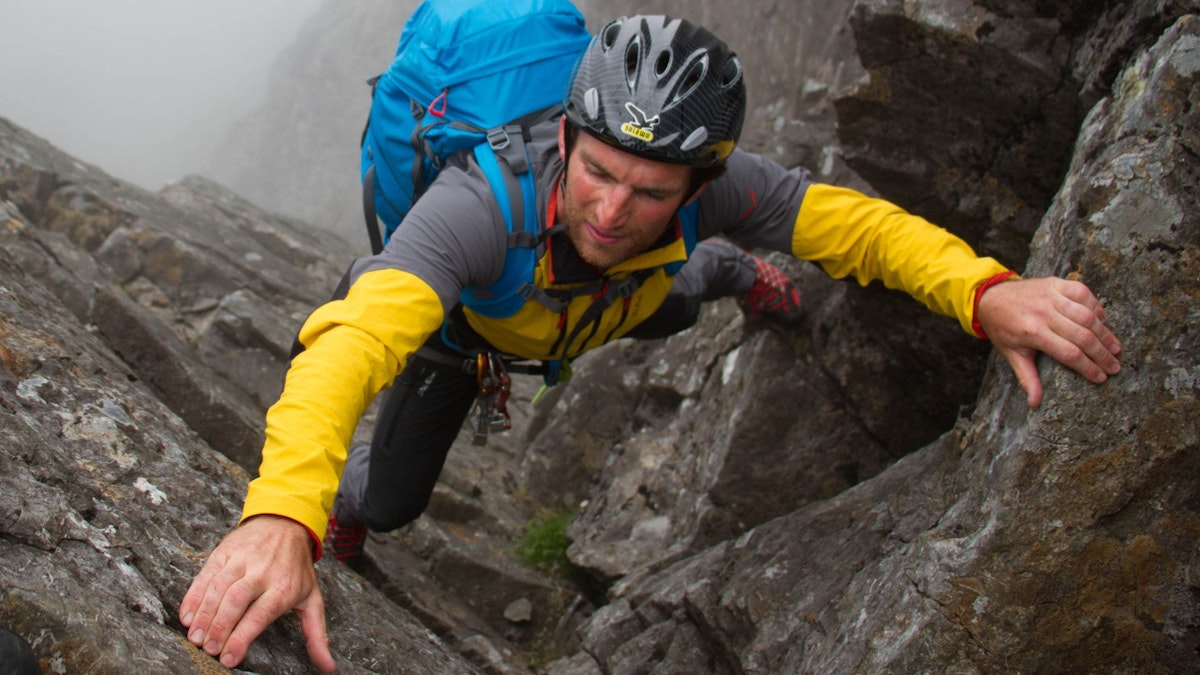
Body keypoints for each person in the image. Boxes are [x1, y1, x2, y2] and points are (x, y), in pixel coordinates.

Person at [179, 15, 1122, 671]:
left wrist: (987, 291)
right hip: (473, 334)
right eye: (597, 173)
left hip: (617, 303)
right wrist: (283, 517)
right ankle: (351, 507)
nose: (613, 209)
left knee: (681, 284)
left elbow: (858, 228)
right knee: (388, 502)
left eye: (651, 191)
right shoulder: (474, 206)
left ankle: (731, 273)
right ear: (569, 136)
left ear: (698, 178)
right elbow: (350, 341)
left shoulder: (713, 185)